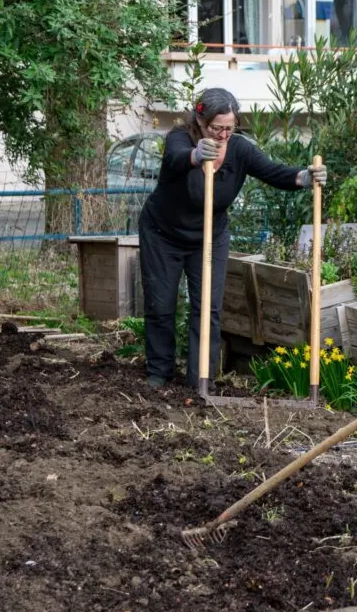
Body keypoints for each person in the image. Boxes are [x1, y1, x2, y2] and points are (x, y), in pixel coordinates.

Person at [138, 88, 327, 389]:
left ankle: (202, 377)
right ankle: (159, 372)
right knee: (161, 303)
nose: (224, 134)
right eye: (216, 128)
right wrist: (195, 155)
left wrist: (304, 177)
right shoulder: (179, 138)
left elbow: (273, 172)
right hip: (163, 235)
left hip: (209, 238)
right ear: (200, 121)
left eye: (229, 127)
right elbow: (174, 160)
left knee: (208, 307)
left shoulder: (239, 149)